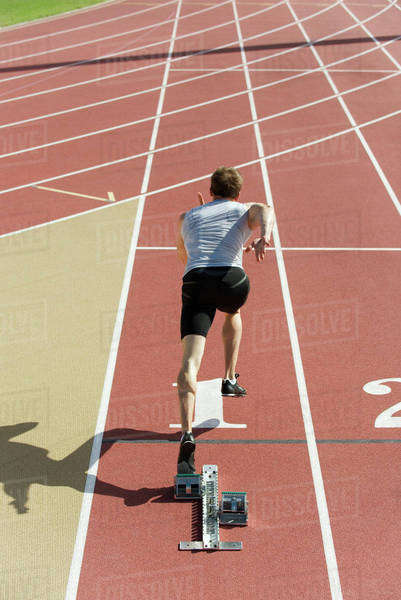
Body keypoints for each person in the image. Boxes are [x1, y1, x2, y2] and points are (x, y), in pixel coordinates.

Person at [175, 166, 275, 474]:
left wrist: (202, 224)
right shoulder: (244, 210)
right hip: (232, 281)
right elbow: (265, 209)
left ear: (211, 189)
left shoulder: (187, 217)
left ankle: (187, 436)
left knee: (190, 364)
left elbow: (185, 256)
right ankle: (229, 379)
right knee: (233, 311)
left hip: (195, 282)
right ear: (238, 193)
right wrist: (262, 237)